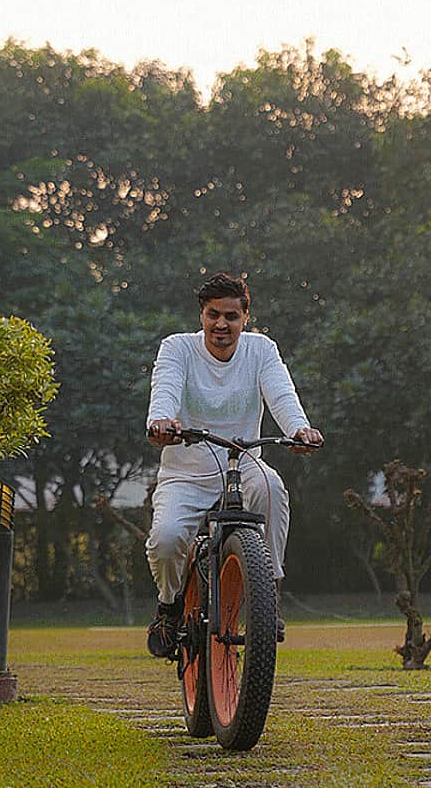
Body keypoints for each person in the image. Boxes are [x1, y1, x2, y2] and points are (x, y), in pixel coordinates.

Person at [145, 272, 323, 658]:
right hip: (185, 474)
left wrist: (299, 429)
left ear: (245, 318)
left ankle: (269, 593)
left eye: (230, 316)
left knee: (273, 488)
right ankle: (169, 605)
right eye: (213, 315)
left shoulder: (261, 350)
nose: (221, 325)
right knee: (167, 539)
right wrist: (161, 421)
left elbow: (281, 392)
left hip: (244, 466)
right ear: (202, 316)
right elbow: (166, 388)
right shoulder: (177, 348)